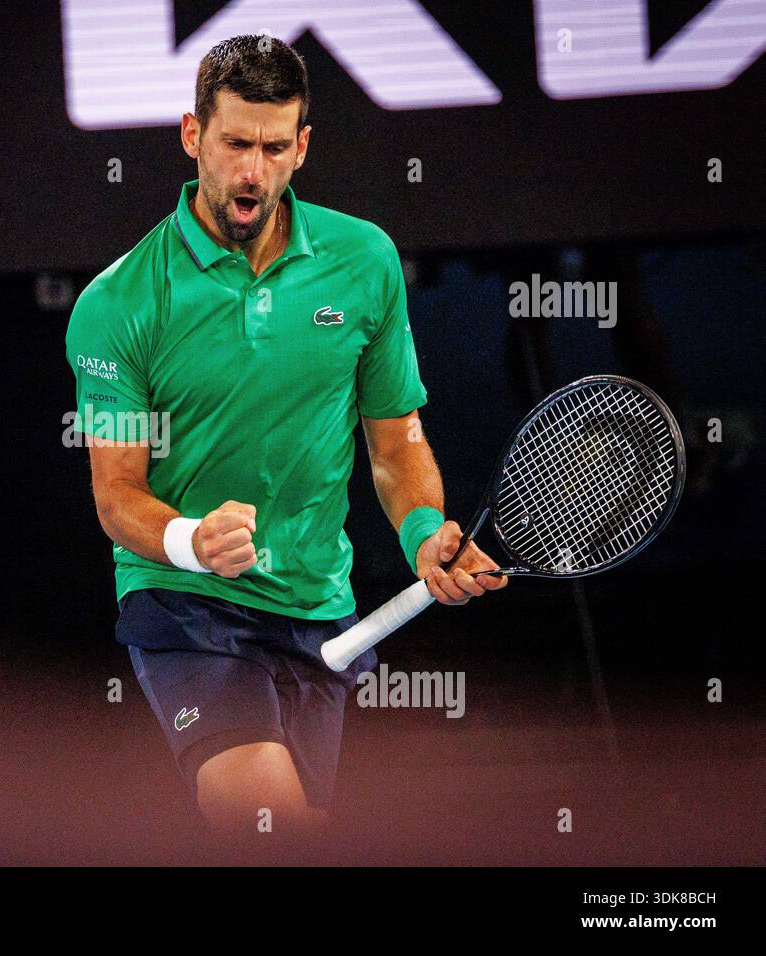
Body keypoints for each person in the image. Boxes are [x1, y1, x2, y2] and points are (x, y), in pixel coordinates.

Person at [65, 37, 507, 833]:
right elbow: (116, 494)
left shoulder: (363, 261)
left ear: (302, 147)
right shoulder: (117, 304)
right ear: (192, 135)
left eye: (274, 149)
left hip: (317, 603)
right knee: (272, 824)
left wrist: (422, 534)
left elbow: (396, 443)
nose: (252, 172)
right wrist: (193, 541)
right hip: (188, 603)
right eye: (235, 143)